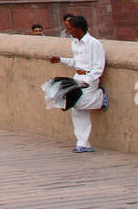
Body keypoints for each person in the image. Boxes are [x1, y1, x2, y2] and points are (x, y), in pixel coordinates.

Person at [45, 14, 107, 153]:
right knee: (75, 108)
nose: (69, 32)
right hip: (77, 76)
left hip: (89, 79)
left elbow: (98, 67)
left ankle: (99, 97)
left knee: (79, 103)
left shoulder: (94, 44)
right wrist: (60, 60)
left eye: (71, 29)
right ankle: (83, 142)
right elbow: (76, 62)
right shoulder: (75, 43)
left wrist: (88, 81)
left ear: (79, 28)